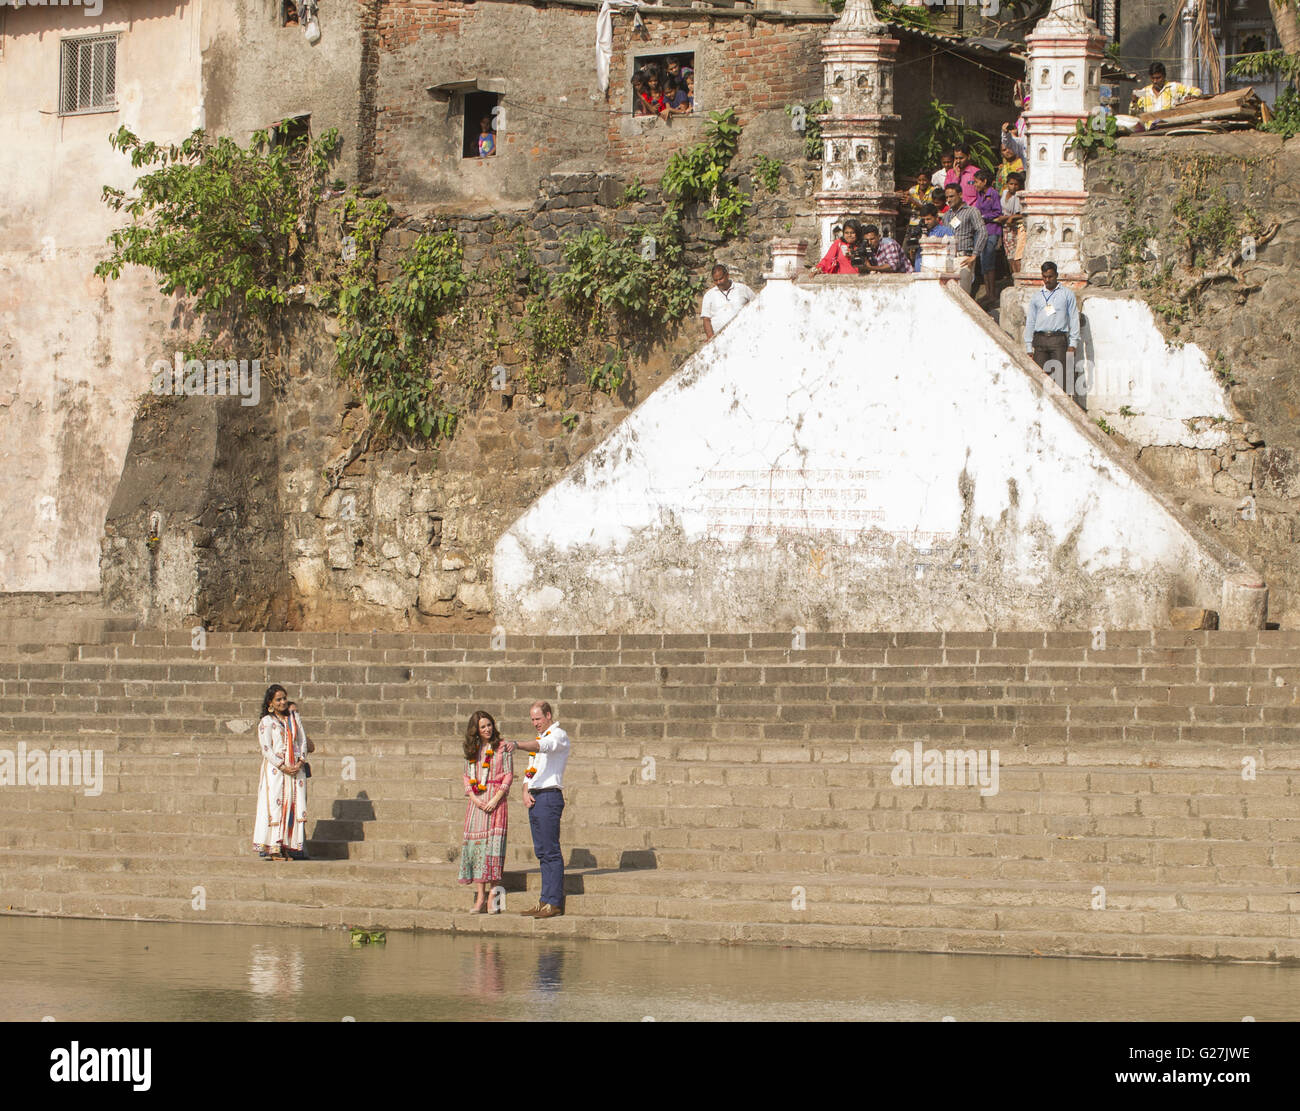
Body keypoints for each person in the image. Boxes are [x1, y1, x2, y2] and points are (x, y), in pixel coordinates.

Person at [503, 701, 570, 919]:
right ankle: (544, 900)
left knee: (551, 851)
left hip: (550, 796)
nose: (535, 723)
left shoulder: (558, 735)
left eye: (538, 719)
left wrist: (517, 744)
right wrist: (524, 790)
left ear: (548, 716)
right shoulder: (539, 739)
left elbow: (545, 747)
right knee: (541, 852)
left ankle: (554, 902)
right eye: (532, 719)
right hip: (535, 796)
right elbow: (530, 771)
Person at [460, 710, 513, 913]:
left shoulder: (502, 748)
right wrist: (475, 799)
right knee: (477, 849)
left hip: (496, 800)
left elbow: (508, 775)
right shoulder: (471, 750)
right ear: (476, 730)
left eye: (489, 725)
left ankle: (493, 896)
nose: (487, 729)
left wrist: (495, 798)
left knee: (494, 848)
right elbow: (466, 777)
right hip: (476, 802)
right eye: (483, 727)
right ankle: (480, 896)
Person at [253, 685, 313, 861]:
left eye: (284, 698)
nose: (283, 702)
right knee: (275, 806)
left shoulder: (294, 718)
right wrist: (282, 765)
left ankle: (287, 846)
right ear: (270, 703)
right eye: (278, 699)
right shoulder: (266, 722)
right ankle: (273, 848)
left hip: (295, 770)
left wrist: (300, 761)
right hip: (276, 771)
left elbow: (302, 740)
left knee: (293, 806)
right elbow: (266, 748)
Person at [1023, 261, 1080, 377]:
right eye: (1044, 277)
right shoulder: (1036, 296)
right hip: (1040, 340)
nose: (1047, 280)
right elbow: (1031, 321)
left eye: (1050, 277)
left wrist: (1073, 343)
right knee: (1040, 378)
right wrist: (1029, 347)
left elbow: (1074, 318)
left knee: (1060, 378)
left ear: (1056, 275)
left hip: (1058, 340)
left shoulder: (1067, 294)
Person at [943, 183, 987, 279]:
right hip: (948, 257)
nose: (948, 200)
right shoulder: (946, 215)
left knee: (963, 289)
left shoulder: (972, 211)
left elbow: (982, 232)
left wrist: (974, 255)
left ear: (960, 195)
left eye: (951, 196)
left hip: (964, 256)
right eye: (947, 197)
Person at [700, 264, 756, 339]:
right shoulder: (709, 295)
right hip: (720, 339)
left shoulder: (742, 289)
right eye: (716, 280)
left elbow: (756, 307)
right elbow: (706, 319)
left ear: (727, 275)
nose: (719, 282)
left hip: (744, 336)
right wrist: (711, 338)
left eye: (720, 279)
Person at [971, 168, 1003, 301]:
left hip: (992, 230)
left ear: (984, 181)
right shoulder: (980, 194)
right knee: (984, 261)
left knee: (989, 261)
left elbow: (997, 212)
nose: (975, 184)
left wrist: (984, 216)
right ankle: (988, 292)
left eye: (977, 182)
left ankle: (992, 293)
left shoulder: (993, 194)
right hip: (982, 232)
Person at [1130, 61, 1202, 114]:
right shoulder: (1144, 91)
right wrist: (1134, 101)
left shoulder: (1174, 87)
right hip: (1150, 130)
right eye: (1152, 78)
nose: (1155, 81)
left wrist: (1191, 97)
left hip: (1168, 128)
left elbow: (1198, 91)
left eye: (1158, 78)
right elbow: (1132, 113)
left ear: (1164, 76)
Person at [998, 171, 1026, 276]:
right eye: (1011, 184)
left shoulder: (1018, 197)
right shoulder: (1004, 193)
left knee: (1016, 255)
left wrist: (1011, 217)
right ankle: (1013, 276)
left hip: (1014, 228)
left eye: (1016, 184)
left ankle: (1018, 276)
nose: (1013, 187)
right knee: (1009, 255)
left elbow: (1022, 214)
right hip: (1005, 228)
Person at [912, 204, 954, 273]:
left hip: (937, 274)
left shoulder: (945, 231)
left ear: (936, 217)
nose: (925, 222)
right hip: (920, 273)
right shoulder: (921, 231)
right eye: (923, 220)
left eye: (928, 219)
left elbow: (951, 253)